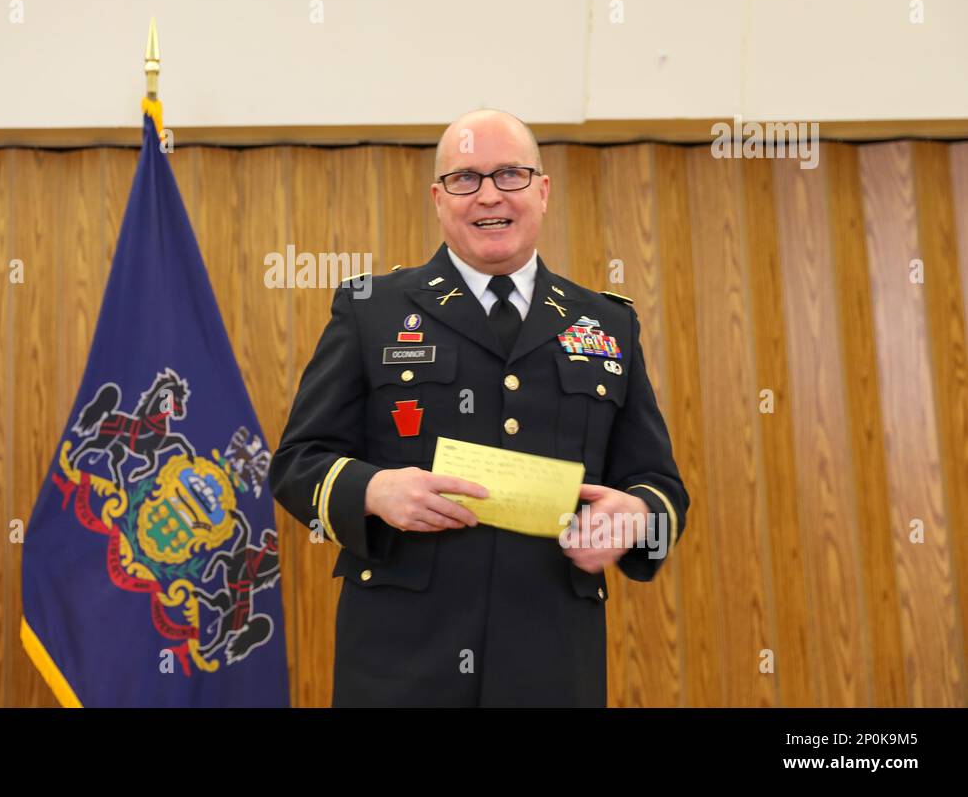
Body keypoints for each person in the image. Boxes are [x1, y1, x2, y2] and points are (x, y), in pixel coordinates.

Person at [267, 108, 689, 706]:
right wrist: (374, 490)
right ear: (439, 199)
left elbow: (658, 484)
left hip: (551, 663)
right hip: (401, 663)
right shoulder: (372, 309)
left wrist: (636, 517)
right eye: (466, 178)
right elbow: (297, 463)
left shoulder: (607, 323)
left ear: (542, 191)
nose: (489, 194)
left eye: (510, 174)